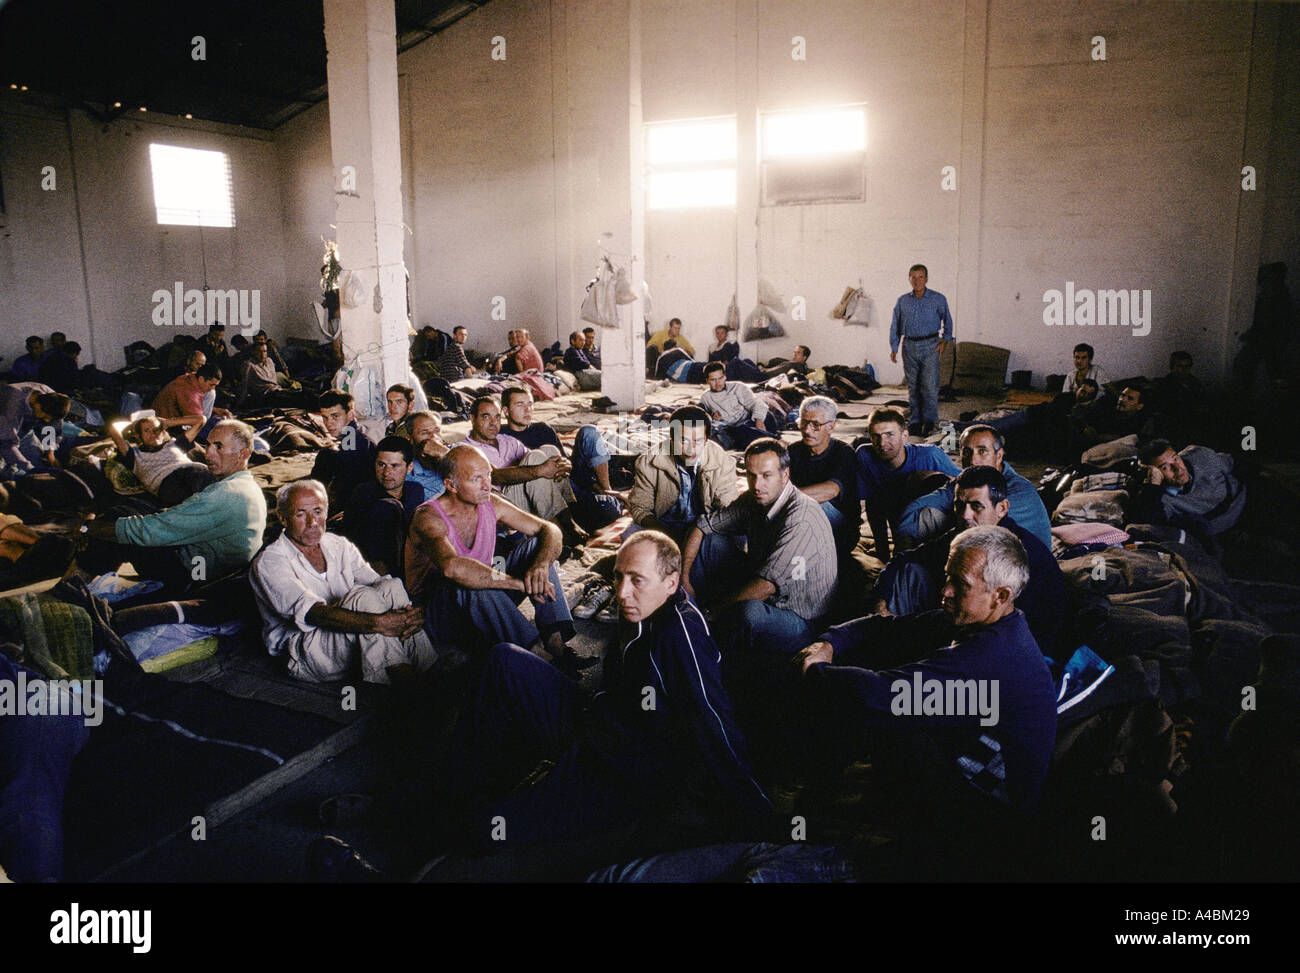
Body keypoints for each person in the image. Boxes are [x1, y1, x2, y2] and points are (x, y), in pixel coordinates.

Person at [438, 530, 769, 852]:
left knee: (487, 827)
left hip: (617, 773)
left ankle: (482, 807)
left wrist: (759, 817)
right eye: (618, 577)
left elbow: (713, 718)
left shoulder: (680, 636)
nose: (622, 592)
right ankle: (455, 785)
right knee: (504, 660)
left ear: (671, 583)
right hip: (595, 720)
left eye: (637, 580)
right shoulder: (639, 610)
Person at [796, 526, 1057, 817]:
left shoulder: (990, 656)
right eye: (947, 575)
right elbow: (887, 629)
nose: (945, 590)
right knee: (881, 673)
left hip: (991, 808)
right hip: (966, 751)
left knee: (879, 716)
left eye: (959, 583)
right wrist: (830, 642)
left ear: (1000, 595)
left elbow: (881, 696)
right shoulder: (980, 621)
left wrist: (816, 670)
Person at [404, 444, 583, 669]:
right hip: (439, 614)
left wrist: (540, 565)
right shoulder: (428, 516)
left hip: (485, 599)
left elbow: (550, 530)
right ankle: (538, 657)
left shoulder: (491, 503)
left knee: (536, 546)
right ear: (451, 485)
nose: (488, 485)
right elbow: (453, 568)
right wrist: (519, 584)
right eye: (476, 479)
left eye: (488, 474)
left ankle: (556, 645)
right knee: (469, 582)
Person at [251, 479, 434, 684]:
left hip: (349, 641)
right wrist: (378, 623)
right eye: (301, 514)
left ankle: (427, 668)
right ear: (283, 519)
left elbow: (378, 584)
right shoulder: (270, 560)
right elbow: (311, 613)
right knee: (363, 597)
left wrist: (411, 615)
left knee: (391, 587)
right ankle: (406, 683)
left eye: (318, 512)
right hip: (307, 651)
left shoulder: (337, 544)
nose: (312, 522)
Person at [874, 466, 1064, 656]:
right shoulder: (969, 535)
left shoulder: (1023, 556)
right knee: (912, 571)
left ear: (1002, 509)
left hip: (1016, 652)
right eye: (959, 505)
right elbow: (905, 558)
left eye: (976, 507)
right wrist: (880, 602)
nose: (965, 515)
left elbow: (1025, 632)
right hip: (971, 628)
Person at [682, 438, 837, 656]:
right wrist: (685, 580)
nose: (757, 485)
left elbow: (766, 586)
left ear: (785, 475)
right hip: (764, 586)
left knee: (749, 612)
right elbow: (700, 527)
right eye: (751, 475)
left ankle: (706, 646)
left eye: (766, 475)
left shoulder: (801, 519)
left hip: (801, 618)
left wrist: (711, 613)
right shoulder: (754, 499)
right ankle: (687, 610)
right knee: (711, 542)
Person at [82, 420, 267, 589]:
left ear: (243, 454)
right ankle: (85, 574)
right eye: (208, 444)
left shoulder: (224, 494)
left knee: (121, 526)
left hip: (197, 574)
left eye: (219, 447)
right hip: (208, 559)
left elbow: (150, 531)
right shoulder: (246, 485)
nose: (208, 453)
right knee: (134, 517)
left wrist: (90, 528)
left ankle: (77, 585)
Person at [897, 424, 1051, 550]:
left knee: (940, 520)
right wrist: (904, 540)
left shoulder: (1018, 490)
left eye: (982, 451)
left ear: (999, 456)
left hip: (1020, 564)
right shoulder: (968, 479)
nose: (973, 460)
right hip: (986, 548)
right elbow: (921, 504)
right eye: (967, 452)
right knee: (925, 515)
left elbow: (981, 533)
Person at [855, 407, 960, 560]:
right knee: (876, 496)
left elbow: (965, 483)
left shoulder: (931, 455)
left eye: (890, 435)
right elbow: (871, 504)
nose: (882, 443)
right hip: (898, 518)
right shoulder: (865, 455)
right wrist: (881, 548)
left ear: (905, 436)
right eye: (876, 436)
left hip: (932, 519)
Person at [466, 396, 575, 528]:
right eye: (486, 417)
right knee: (537, 461)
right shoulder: (465, 449)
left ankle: (570, 516)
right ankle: (560, 528)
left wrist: (564, 464)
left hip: (522, 498)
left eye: (497, 417)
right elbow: (494, 476)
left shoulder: (507, 440)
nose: (493, 423)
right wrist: (539, 470)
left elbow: (536, 457)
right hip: (500, 504)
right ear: (472, 419)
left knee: (549, 450)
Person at [787, 395, 860, 560]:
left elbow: (830, 490)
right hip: (799, 519)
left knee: (813, 507)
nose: (807, 430)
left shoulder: (844, 453)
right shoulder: (793, 451)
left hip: (840, 530)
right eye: (804, 423)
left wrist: (783, 498)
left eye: (816, 425)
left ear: (831, 426)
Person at [342, 436, 425, 578]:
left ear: (409, 467)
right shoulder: (363, 493)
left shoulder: (415, 491)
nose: (386, 473)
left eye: (395, 466)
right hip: (371, 571)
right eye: (381, 465)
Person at [889, 263, 954, 437]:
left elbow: (948, 321)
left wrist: (945, 341)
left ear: (926, 279)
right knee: (913, 386)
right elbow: (895, 324)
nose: (917, 281)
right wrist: (894, 347)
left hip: (930, 345)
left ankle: (930, 421)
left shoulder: (938, 299)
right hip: (909, 345)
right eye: (913, 277)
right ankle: (916, 421)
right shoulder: (903, 301)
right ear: (909, 279)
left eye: (921, 277)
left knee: (929, 386)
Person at [1134, 439, 1246, 538]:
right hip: (1223, 532)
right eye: (1165, 467)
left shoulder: (1200, 456)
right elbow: (1152, 519)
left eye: (1175, 459)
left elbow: (1234, 463)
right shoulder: (1160, 499)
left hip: (1244, 501)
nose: (1177, 469)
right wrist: (1153, 483)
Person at [107, 412, 214, 507]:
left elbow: (201, 420)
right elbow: (113, 429)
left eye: (156, 430)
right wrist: (132, 423)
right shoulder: (133, 454)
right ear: (139, 437)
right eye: (147, 431)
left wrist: (168, 423)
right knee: (197, 499)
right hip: (167, 484)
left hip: (193, 472)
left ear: (163, 433)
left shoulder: (174, 444)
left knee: (208, 485)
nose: (153, 434)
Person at [310, 390, 378, 510]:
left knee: (325, 456)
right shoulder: (351, 433)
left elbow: (346, 484)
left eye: (335, 416)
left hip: (361, 501)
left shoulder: (352, 440)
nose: (329, 423)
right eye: (325, 417)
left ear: (350, 415)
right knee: (326, 454)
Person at [699, 362, 769, 450]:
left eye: (720, 378)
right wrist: (712, 416)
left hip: (750, 421)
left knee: (763, 420)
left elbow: (756, 403)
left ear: (725, 376)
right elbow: (703, 415)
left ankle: (774, 441)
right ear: (707, 381)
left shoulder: (737, 387)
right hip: (730, 428)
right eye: (713, 380)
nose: (718, 383)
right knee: (717, 436)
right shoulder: (705, 397)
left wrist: (759, 420)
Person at [0, 385, 69, 471]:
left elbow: (51, 426)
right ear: (38, 406)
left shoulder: (51, 398)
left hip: (23, 433)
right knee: (14, 472)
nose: (47, 421)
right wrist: (30, 469)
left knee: (40, 462)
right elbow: (6, 445)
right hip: (4, 435)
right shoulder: (13, 403)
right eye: (45, 417)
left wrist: (50, 454)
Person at [153, 362, 230, 427]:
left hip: (165, 417)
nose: (213, 388)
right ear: (201, 379)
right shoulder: (190, 393)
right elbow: (198, 422)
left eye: (215, 385)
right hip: (163, 425)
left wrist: (215, 410)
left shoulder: (190, 377)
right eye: (211, 384)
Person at [406, 410, 448, 501]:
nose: (433, 437)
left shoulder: (455, 451)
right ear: (409, 438)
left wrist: (444, 453)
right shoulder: (408, 474)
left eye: (436, 431)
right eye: (424, 433)